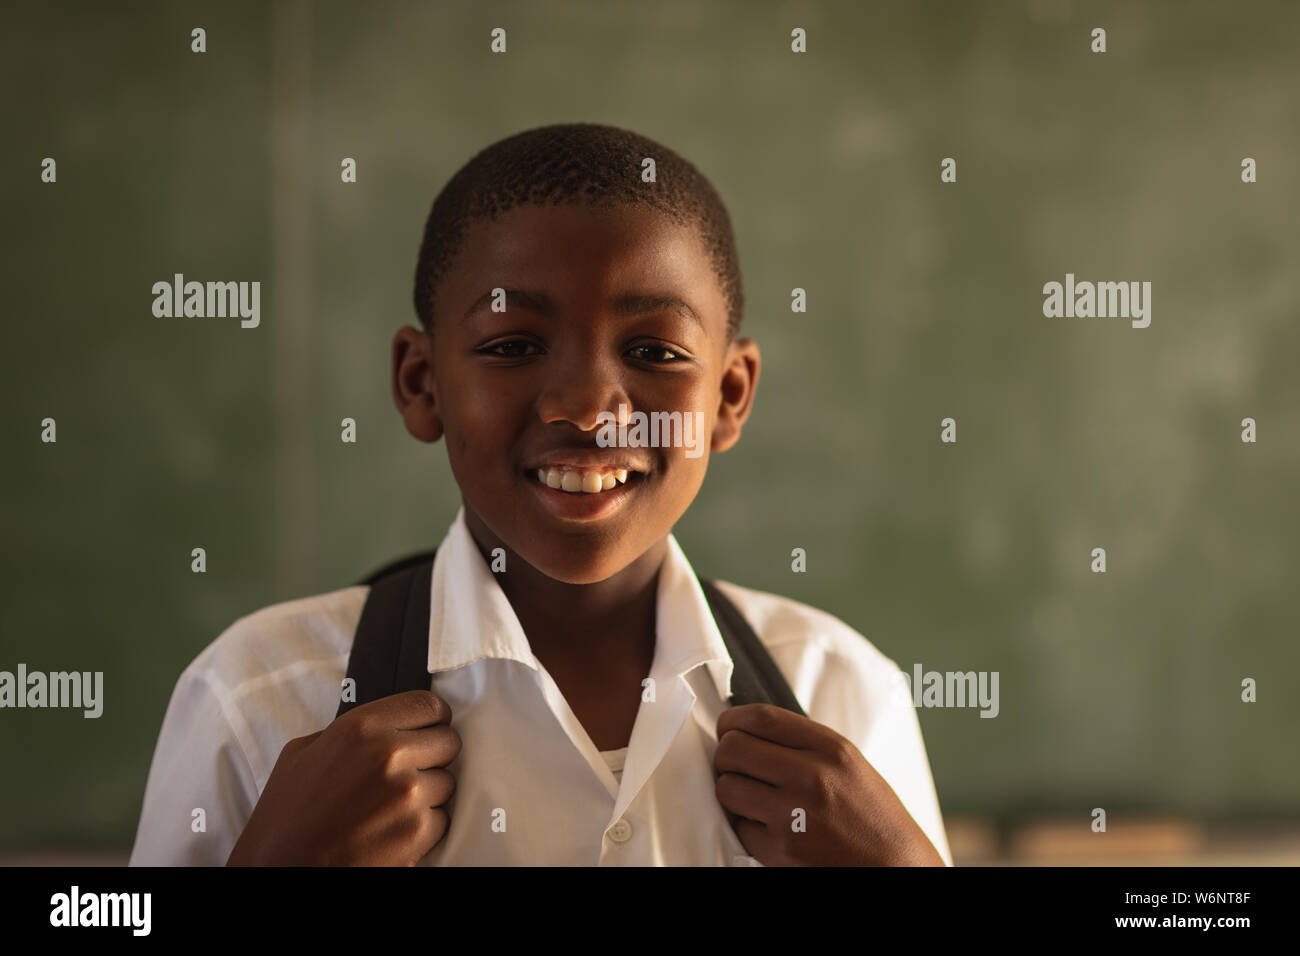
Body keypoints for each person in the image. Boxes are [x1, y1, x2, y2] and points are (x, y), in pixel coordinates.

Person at [129, 122, 952, 866]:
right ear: (422, 384)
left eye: (655, 352)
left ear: (730, 397)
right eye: (514, 344)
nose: (588, 408)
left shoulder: (843, 692)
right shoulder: (259, 699)